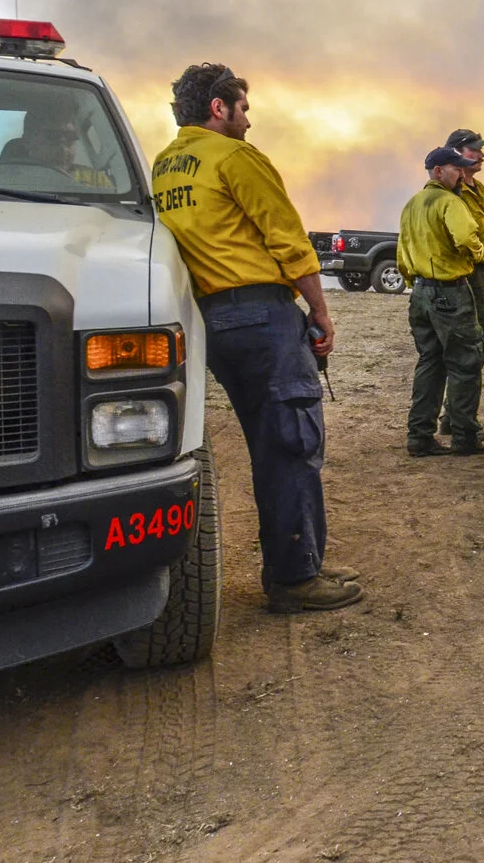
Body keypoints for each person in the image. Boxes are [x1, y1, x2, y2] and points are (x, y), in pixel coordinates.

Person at [150, 63, 361, 613]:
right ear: (218, 108)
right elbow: (287, 239)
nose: (248, 119)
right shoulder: (236, 158)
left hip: (213, 322)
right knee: (292, 443)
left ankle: (301, 559)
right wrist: (320, 311)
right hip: (262, 317)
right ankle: (294, 580)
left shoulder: (164, 167)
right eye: (242, 107)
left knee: (269, 444)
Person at [398, 147, 484, 457]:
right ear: (439, 171)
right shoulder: (450, 202)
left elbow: (402, 253)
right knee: (465, 363)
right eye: (456, 168)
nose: (462, 173)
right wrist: (479, 254)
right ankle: (464, 437)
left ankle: (419, 437)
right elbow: (465, 239)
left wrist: (415, 284)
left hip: (420, 293)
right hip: (450, 291)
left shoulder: (412, 204)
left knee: (430, 361)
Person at [438, 128, 484, 442]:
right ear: (455, 153)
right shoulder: (449, 193)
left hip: (480, 276)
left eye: (481, 150)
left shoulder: (479, 190)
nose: (481, 155)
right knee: (466, 349)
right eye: (474, 150)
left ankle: (454, 417)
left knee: (477, 349)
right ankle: (461, 423)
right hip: (460, 276)